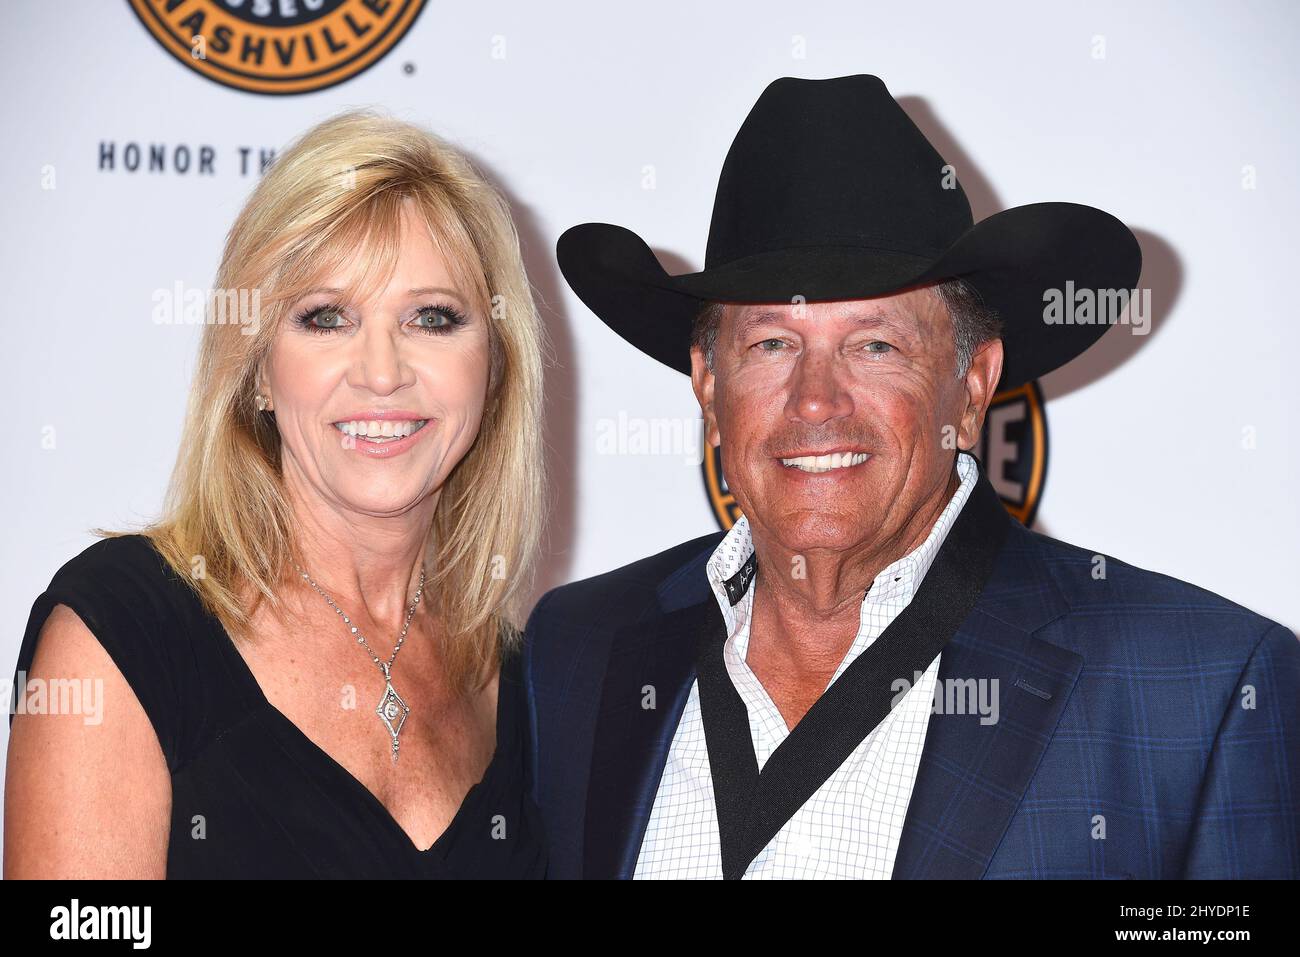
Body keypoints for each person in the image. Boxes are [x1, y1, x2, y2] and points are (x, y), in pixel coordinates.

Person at [525, 74, 1300, 879]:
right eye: (771, 344)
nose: (815, 400)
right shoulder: (575, 650)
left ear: (972, 387)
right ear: (709, 384)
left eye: (875, 345)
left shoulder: (1196, 698)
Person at [5, 109, 548, 878]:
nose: (382, 372)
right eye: (326, 318)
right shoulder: (127, 631)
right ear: (258, 369)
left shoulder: (534, 686)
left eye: (432, 318)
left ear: (493, 367)